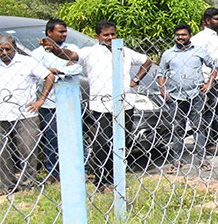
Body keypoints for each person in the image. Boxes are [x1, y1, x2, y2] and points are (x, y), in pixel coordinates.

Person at [42, 21, 153, 192]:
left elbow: (147, 61)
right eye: (106, 35)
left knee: (123, 142)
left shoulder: (124, 50)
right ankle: (102, 181)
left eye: (113, 34)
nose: (110, 38)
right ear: (97, 36)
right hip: (102, 106)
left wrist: (135, 81)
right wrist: (55, 50)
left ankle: (118, 178)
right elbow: (70, 55)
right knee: (103, 145)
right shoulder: (90, 52)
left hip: (125, 104)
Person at [159, 23, 218, 172]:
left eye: (183, 35)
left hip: (195, 95)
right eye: (178, 35)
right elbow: (161, 74)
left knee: (198, 127)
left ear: (189, 36)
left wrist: (209, 84)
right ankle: (177, 160)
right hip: (175, 96)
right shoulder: (168, 54)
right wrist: (163, 90)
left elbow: (214, 67)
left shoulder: (199, 52)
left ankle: (202, 159)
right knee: (178, 129)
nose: (180, 37)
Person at [28, 19, 81, 183]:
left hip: (72, 101)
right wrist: (65, 68)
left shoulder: (72, 49)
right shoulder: (36, 54)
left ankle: (79, 170)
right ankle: (53, 172)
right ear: (49, 33)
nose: (64, 34)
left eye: (65, 31)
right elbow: (39, 73)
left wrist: (56, 71)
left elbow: (78, 67)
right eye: (61, 31)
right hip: (50, 103)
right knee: (52, 138)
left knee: (75, 136)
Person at [0, 34, 53, 194]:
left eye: (7, 49)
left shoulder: (27, 62)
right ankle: (6, 184)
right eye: (0, 50)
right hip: (2, 114)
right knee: (2, 153)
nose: (4, 53)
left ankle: (26, 184)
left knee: (28, 150)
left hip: (25, 114)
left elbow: (49, 76)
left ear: (14, 47)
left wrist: (41, 100)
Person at [192, 7, 218, 155]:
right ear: (207, 21)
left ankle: (217, 140)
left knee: (217, 111)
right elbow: (196, 60)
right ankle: (208, 144)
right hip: (208, 80)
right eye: (216, 19)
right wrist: (204, 81)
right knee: (207, 112)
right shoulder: (200, 38)